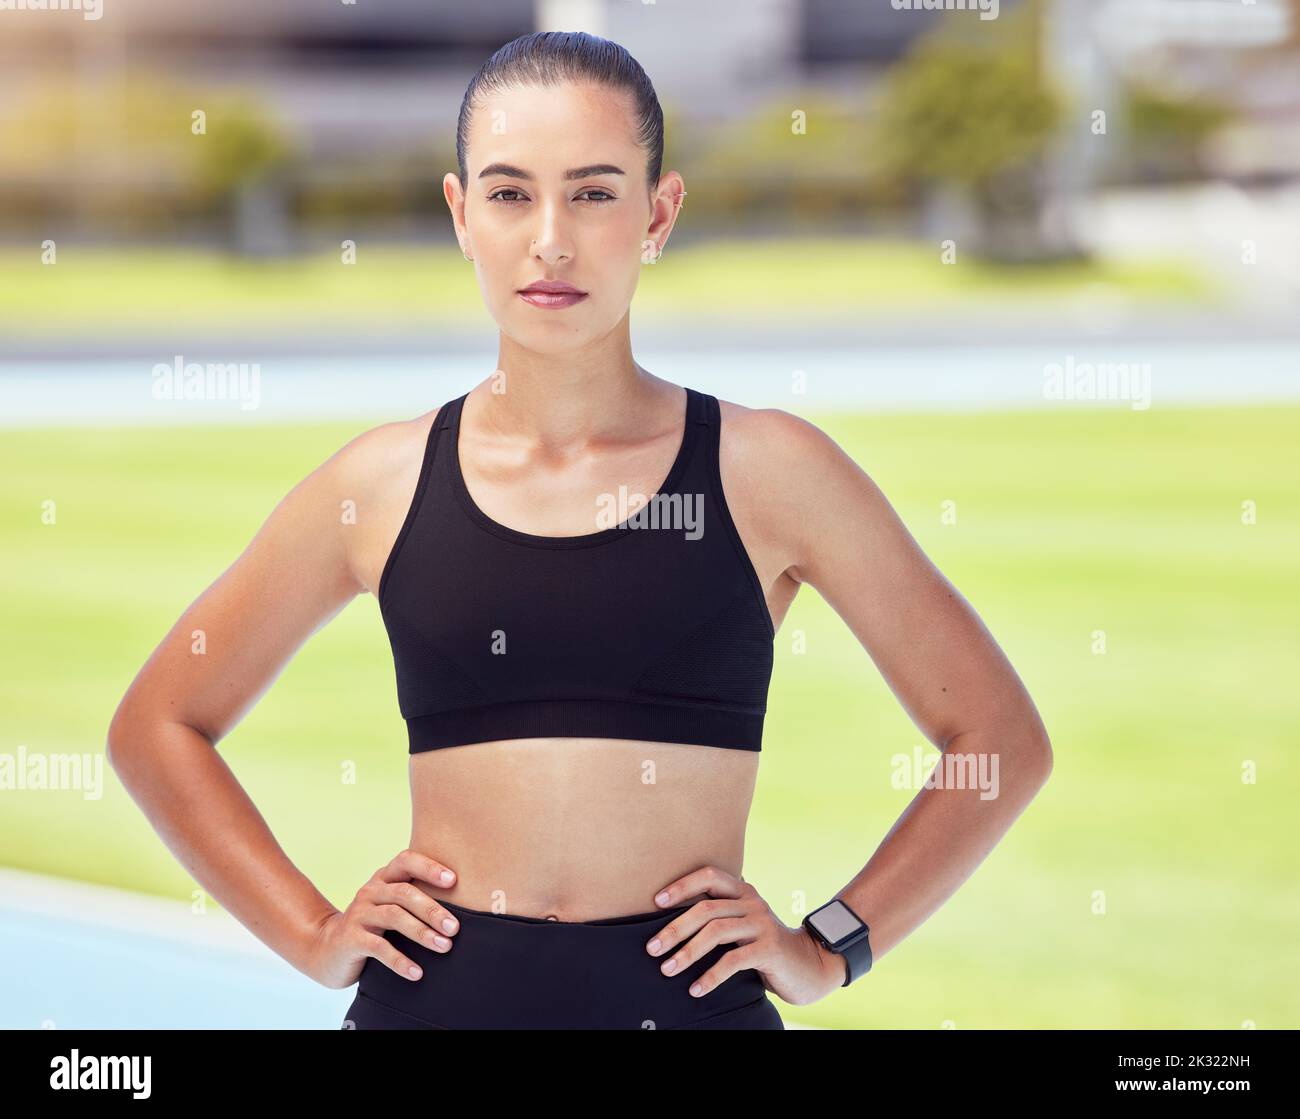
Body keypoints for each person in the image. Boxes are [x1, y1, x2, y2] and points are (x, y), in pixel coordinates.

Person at [107, 30, 1053, 1031]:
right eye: (510, 194)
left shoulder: (770, 472)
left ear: (658, 213)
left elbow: (998, 742)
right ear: (461, 214)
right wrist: (309, 933)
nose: (550, 237)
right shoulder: (377, 485)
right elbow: (157, 727)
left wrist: (829, 945)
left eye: (594, 193)